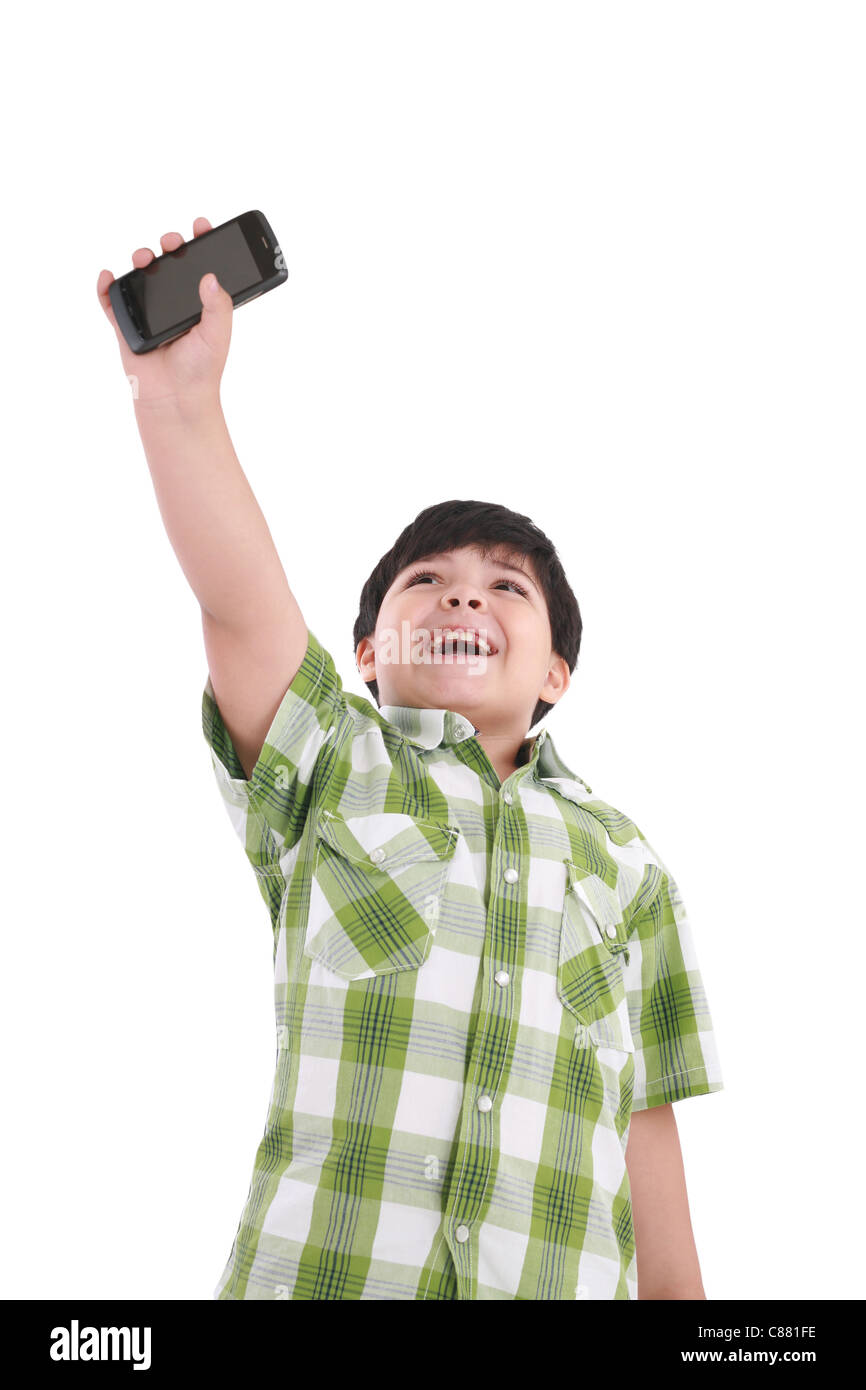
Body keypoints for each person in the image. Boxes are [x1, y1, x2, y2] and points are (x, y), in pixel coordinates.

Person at [98, 216, 724, 1301]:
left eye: (505, 588)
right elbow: (241, 609)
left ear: (555, 674)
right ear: (365, 654)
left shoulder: (628, 864)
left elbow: (646, 1136)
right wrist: (179, 403)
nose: (463, 594)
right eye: (423, 582)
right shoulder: (335, 766)